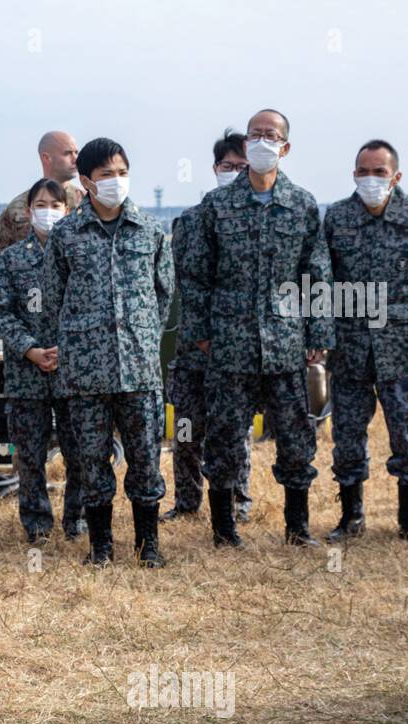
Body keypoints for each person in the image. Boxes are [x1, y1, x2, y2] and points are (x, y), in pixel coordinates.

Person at [180, 108, 333, 548]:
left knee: (296, 438)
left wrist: (319, 334)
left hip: (286, 345)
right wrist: (201, 333)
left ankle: (297, 528)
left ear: (284, 148)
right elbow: (195, 274)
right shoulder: (218, 205)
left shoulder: (301, 204)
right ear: (245, 145)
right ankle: (224, 530)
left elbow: (315, 272)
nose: (262, 141)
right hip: (230, 347)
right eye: (255, 135)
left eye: (271, 135)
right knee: (226, 437)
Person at [42, 138, 172, 567]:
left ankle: (147, 545)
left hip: (138, 372)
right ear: (86, 182)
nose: (116, 182)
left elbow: (163, 294)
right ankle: (100, 547)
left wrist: (141, 335)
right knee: (92, 463)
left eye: (122, 173)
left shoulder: (151, 231)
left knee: (146, 461)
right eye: (105, 176)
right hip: (86, 376)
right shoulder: (66, 234)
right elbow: (53, 297)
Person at [324, 139, 408, 544]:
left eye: (379, 171)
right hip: (351, 347)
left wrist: (406, 317)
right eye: (363, 171)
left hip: (401, 348)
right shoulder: (336, 218)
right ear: (353, 174)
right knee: (348, 437)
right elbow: (326, 280)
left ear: (396, 176)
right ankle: (351, 517)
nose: (370, 178)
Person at [166, 130, 254, 523]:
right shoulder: (191, 220)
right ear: (215, 169)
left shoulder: (259, 224)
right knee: (186, 429)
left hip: (237, 350)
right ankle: (187, 501)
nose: (234, 173)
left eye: (242, 167)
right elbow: (180, 282)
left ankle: (238, 499)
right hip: (193, 350)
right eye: (228, 166)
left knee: (235, 430)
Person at [0, 178, 85, 544]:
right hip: (25, 372)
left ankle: (77, 520)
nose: (48, 211)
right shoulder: (14, 258)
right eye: (40, 205)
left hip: (73, 370)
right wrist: (30, 349)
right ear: (29, 212)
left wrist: (65, 348)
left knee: (80, 451)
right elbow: (2, 311)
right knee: (29, 455)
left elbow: (87, 308)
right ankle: (37, 525)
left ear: (67, 210)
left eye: (55, 205)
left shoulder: (78, 253)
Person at [0, 131, 85, 256]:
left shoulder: (87, 202)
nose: (76, 159)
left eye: (76, 152)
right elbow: (1, 254)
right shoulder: (17, 207)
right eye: (67, 153)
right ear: (46, 158)